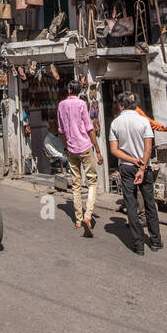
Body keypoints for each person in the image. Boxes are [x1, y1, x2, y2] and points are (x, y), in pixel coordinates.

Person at [109, 92, 162, 256]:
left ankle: (138, 245)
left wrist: (131, 160)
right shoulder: (143, 121)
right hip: (144, 166)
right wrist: (141, 165)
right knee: (149, 203)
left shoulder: (115, 123)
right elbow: (148, 149)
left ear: (121, 105)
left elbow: (114, 150)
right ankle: (155, 241)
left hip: (126, 167)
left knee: (131, 205)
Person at [58, 80, 103, 236]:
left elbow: (61, 131)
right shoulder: (82, 105)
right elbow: (89, 128)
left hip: (71, 149)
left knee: (76, 184)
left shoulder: (61, 105)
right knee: (92, 182)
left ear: (69, 90)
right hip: (84, 147)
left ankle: (78, 219)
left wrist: (66, 147)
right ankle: (88, 215)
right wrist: (97, 150)